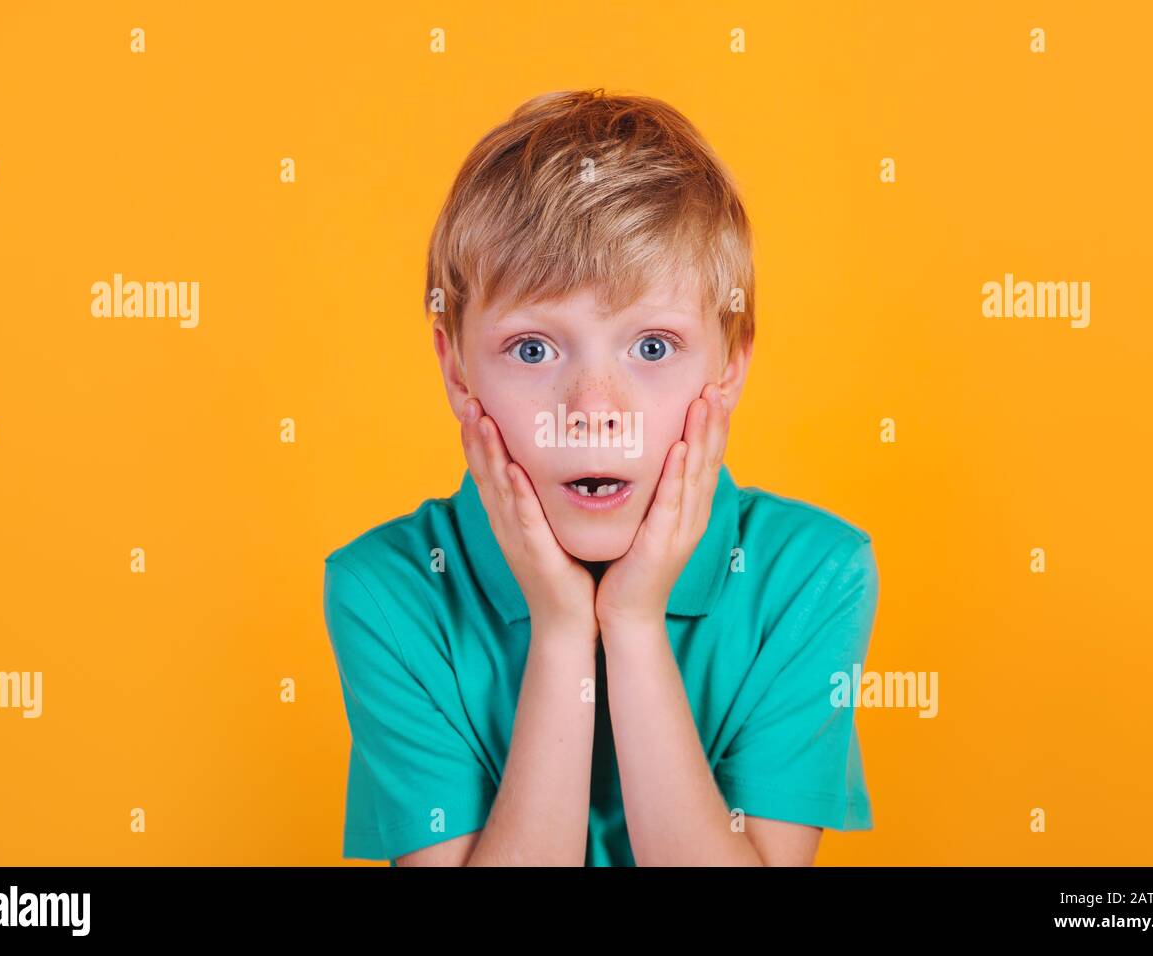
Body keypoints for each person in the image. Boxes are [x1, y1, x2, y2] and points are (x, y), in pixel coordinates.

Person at [323, 89, 879, 866]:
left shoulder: (812, 574)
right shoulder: (389, 589)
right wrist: (560, 634)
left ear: (732, 363)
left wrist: (634, 626)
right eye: (533, 350)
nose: (590, 411)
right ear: (455, 369)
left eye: (652, 348)